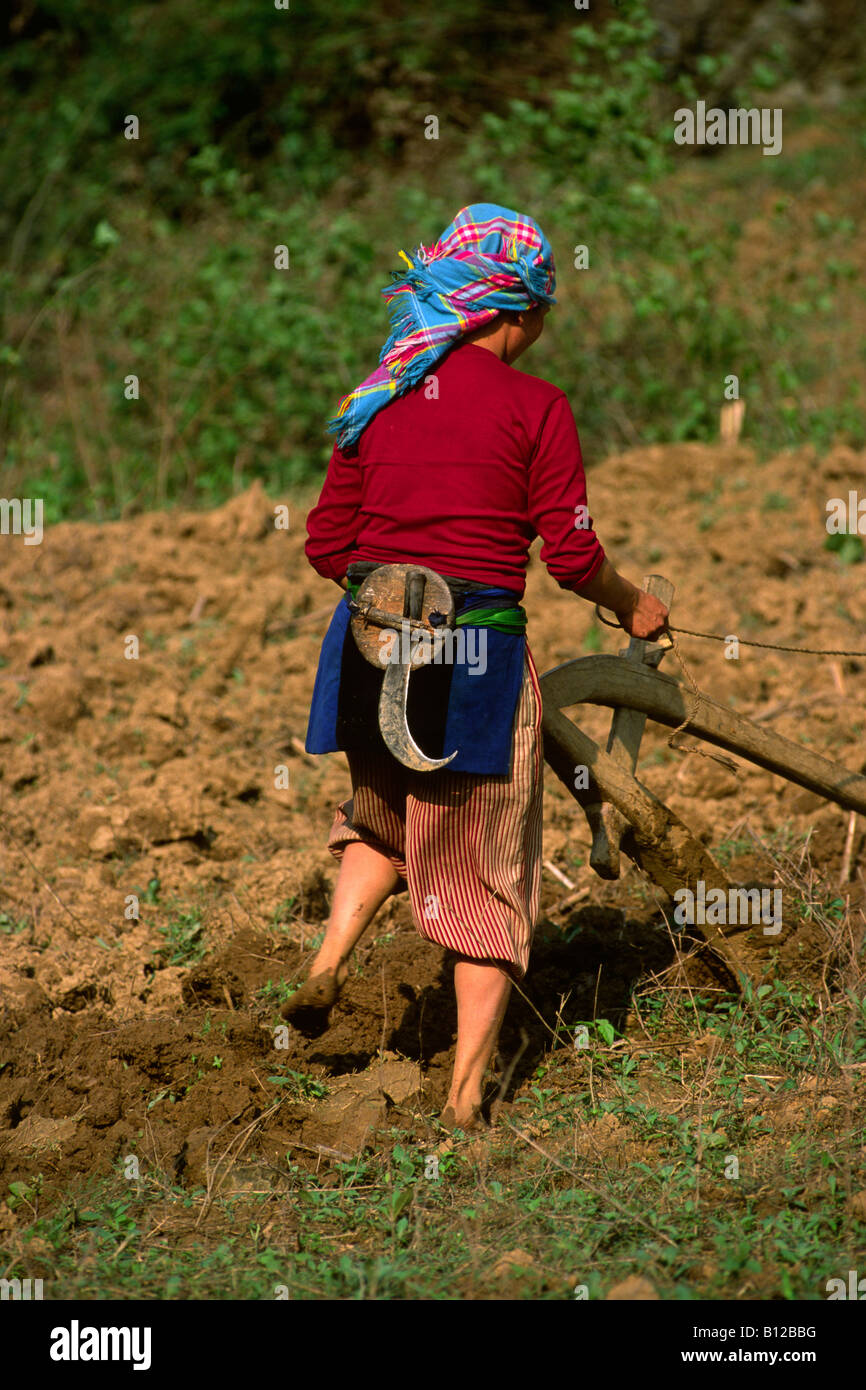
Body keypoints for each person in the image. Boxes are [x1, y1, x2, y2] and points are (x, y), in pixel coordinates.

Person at [285, 204, 668, 1132]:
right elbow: (572, 558)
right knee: (489, 876)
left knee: (380, 817)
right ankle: (463, 1103)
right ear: (519, 313)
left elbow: (326, 541)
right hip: (477, 663)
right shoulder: (537, 408)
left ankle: (328, 961)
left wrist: (395, 595)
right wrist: (633, 606)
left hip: (371, 651)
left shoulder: (377, 396)